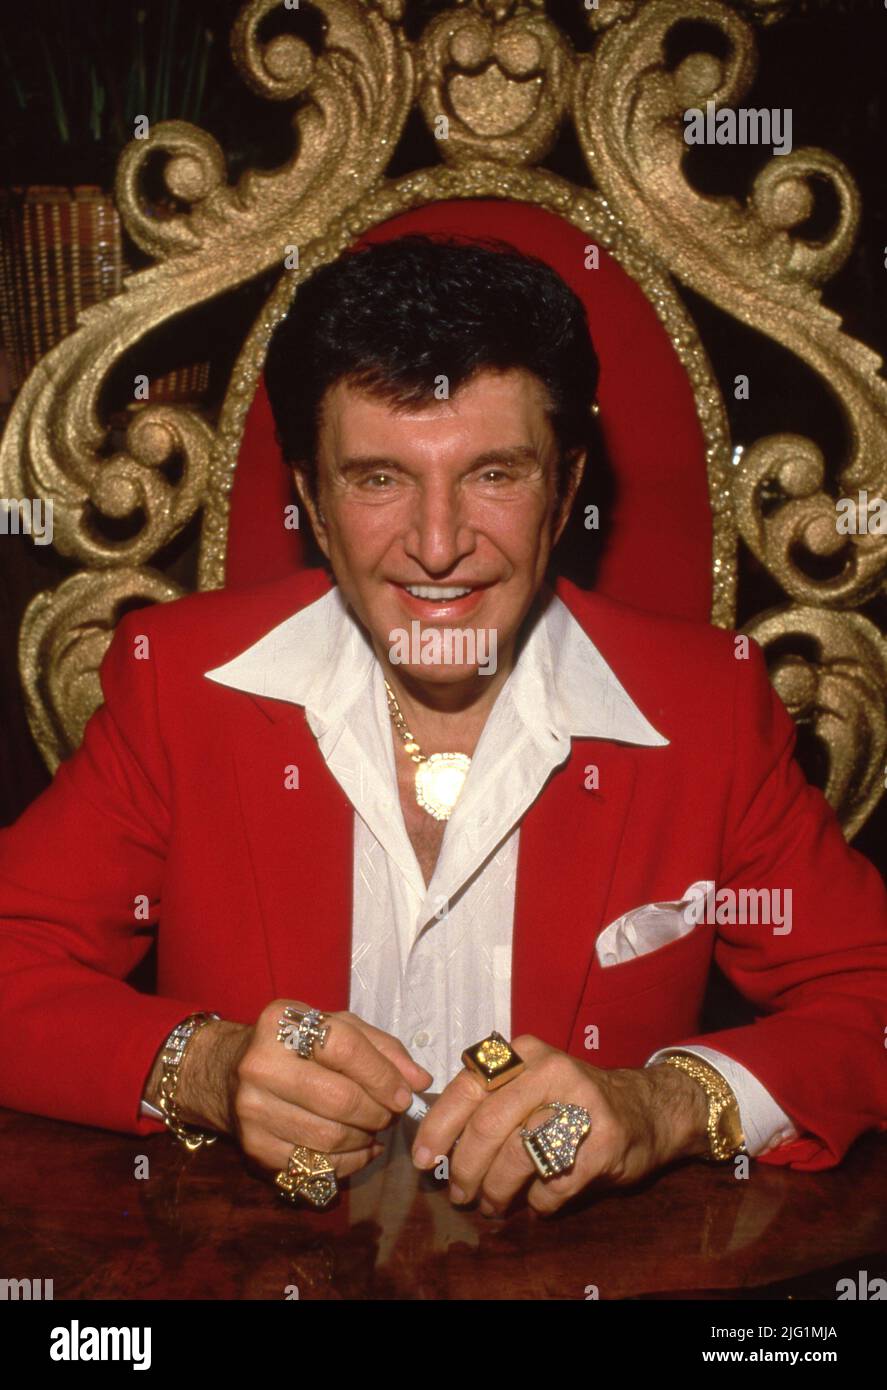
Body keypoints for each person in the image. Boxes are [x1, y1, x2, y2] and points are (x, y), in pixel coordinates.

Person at [1, 236, 885, 1218]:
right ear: (311, 497)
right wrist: (200, 1065)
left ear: (564, 488)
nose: (436, 544)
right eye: (378, 478)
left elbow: (869, 998)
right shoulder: (177, 686)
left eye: (492, 474)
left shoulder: (706, 710)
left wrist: (662, 1103)